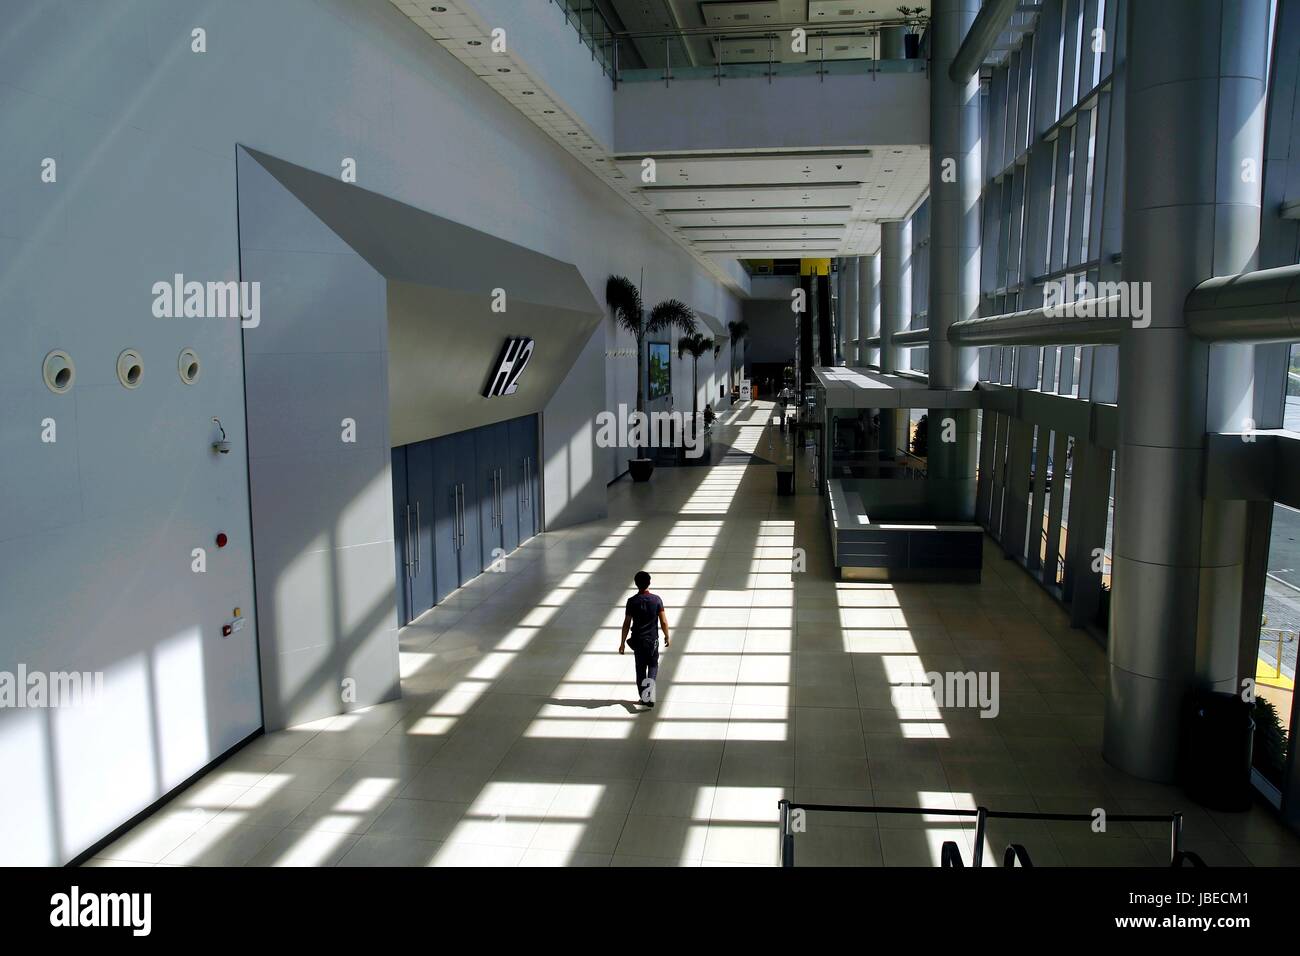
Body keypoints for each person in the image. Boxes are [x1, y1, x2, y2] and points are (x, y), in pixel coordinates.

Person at [620, 570, 670, 706]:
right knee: (653, 665)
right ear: (649, 582)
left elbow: (626, 623)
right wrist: (666, 636)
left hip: (638, 641)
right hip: (652, 641)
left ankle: (645, 697)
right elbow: (664, 621)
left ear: (636, 584)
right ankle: (649, 692)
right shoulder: (656, 600)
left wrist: (622, 643)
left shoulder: (631, 601)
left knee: (640, 669)